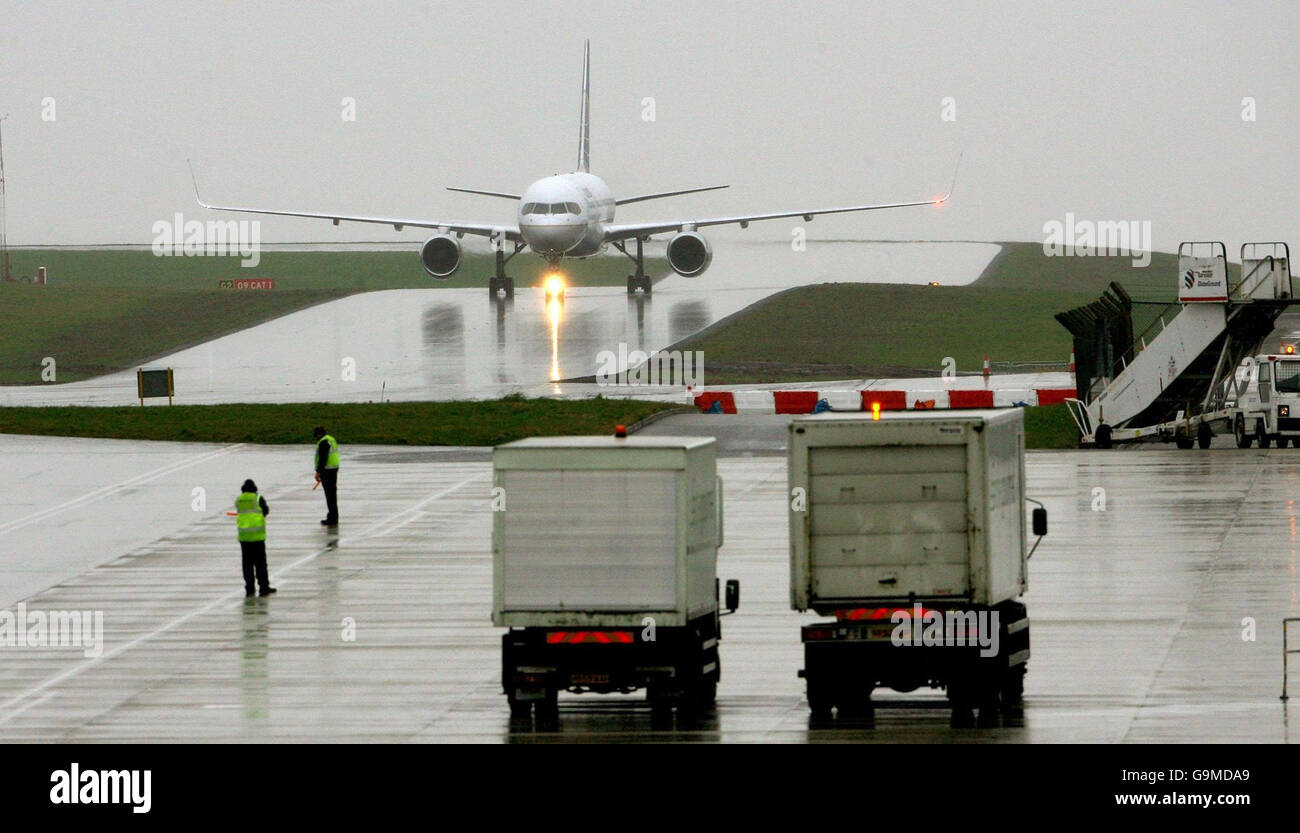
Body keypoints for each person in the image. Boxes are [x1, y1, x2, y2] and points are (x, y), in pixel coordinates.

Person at [235, 479, 276, 597]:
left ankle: (249, 588)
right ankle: (263, 587)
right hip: (257, 537)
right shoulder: (258, 498)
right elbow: (265, 511)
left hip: (244, 538)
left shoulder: (239, 500)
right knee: (260, 564)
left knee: (247, 564)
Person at [313, 426, 340, 526]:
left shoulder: (323, 442)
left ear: (319, 435)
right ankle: (333, 516)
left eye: (316, 436)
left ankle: (332, 518)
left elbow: (323, 458)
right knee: (332, 495)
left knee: (330, 496)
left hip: (327, 471)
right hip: (333, 469)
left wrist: (318, 472)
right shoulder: (331, 439)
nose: (316, 439)